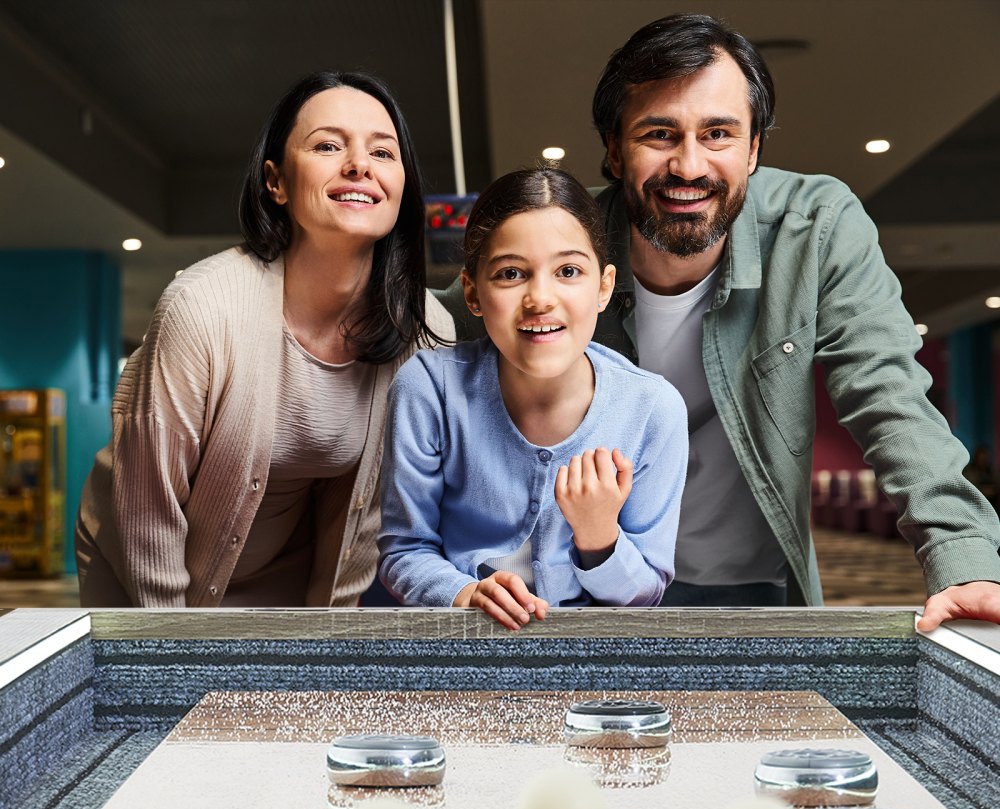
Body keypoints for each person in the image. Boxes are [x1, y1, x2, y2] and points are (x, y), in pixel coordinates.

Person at [437, 13, 1000, 631]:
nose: (688, 166)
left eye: (718, 134)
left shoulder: (815, 230)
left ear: (754, 148)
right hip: (581, 595)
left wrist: (963, 558)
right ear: (613, 150)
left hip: (753, 589)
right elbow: (440, 320)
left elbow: (890, 398)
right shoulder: (565, 248)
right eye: (659, 133)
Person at [76, 71, 454, 607]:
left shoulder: (425, 330)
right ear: (276, 182)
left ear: (401, 188)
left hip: (285, 574)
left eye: (383, 152)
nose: (359, 166)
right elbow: (147, 510)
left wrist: (330, 633)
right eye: (327, 145)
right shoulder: (203, 308)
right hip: (138, 570)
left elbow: (368, 520)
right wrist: (175, 650)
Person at [379, 168, 688, 630]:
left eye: (568, 271)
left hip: (594, 665)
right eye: (510, 273)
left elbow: (645, 594)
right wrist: (462, 594)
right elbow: (404, 551)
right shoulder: (428, 390)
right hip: (465, 654)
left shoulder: (652, 409)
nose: (540, 298)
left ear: (603, 287)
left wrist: (598, 534)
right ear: (473, 292)